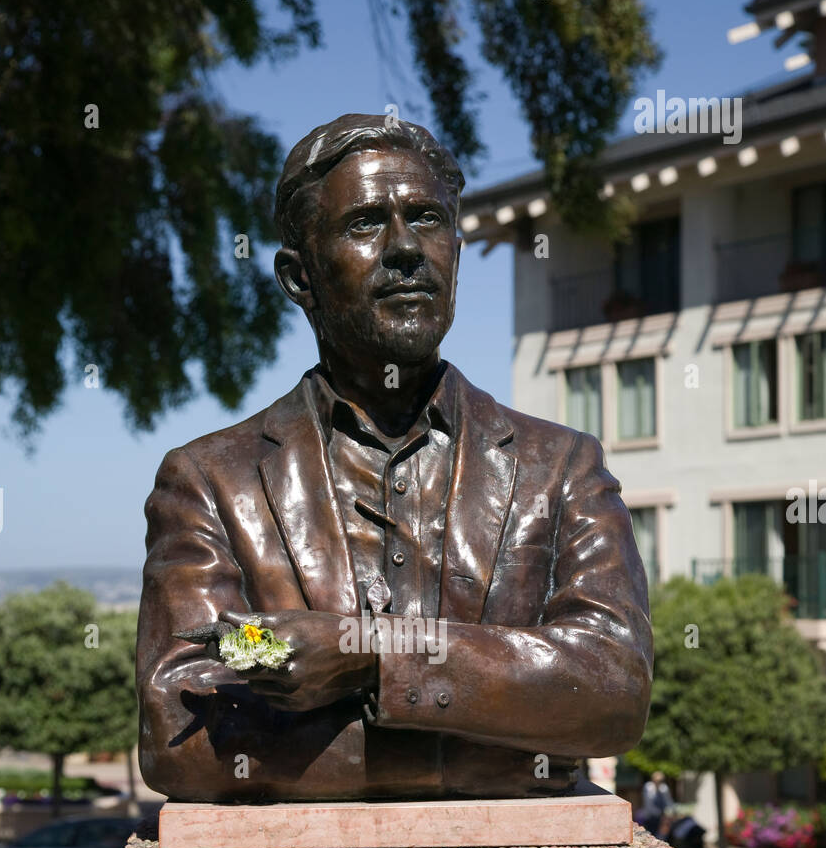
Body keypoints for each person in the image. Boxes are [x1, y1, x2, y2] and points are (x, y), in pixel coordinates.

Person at [136, 114, 652, 802]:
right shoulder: (211, 481)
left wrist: (367, 656)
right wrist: (497, 753)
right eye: (364, 224)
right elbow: (184, 730)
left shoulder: (558, 469)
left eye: (428, 219)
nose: (406, 248)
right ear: (299, 276)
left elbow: (611, 690)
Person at [640, 771, 673, 835]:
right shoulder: (648, 787)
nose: (658, 782)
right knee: (649, 832)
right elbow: (648, 802)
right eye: (657, 780)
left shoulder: (664, 788)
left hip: (661, 815)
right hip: (649, 815)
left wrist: (669, 812)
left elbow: (668, 801)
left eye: (660, 780)